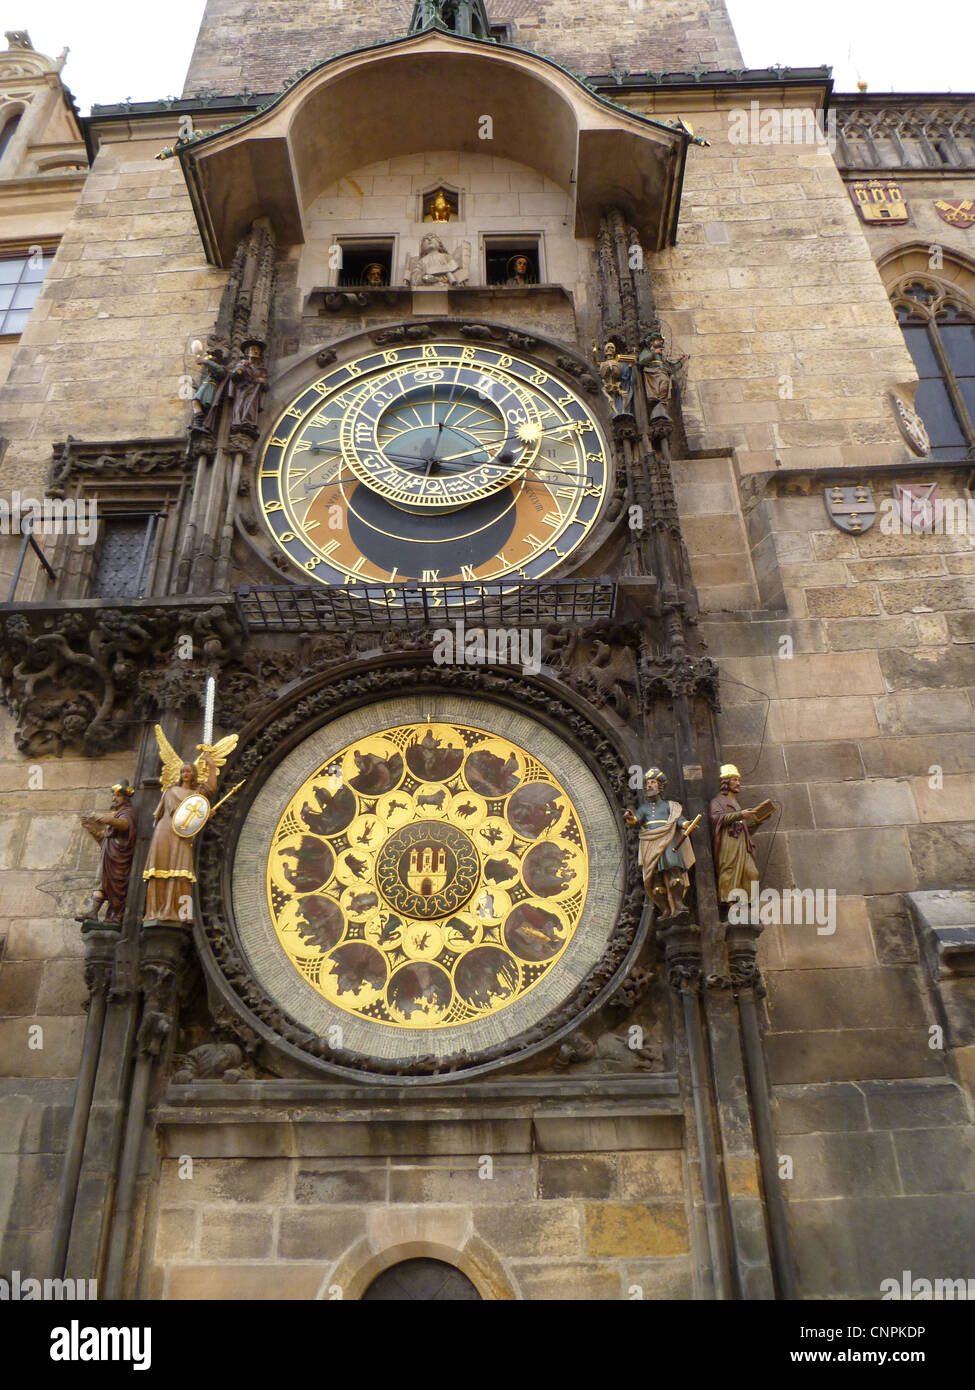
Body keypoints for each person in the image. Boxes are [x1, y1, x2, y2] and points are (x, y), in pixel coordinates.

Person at [624, 767, 695, 919]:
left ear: (660, 786)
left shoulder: (670, 806)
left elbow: (678, 820)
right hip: (651, 842)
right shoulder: (644, 808)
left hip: (668, 841)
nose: (650, 785)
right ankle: (665, 909)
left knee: (674, 872)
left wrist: (685, 825)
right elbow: (636, 821)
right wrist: (631, 818)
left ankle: (677, 903)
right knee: (655, 878)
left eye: (653, 783)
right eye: (648, 783)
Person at [709, 764, 772, 908]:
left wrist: (758, 821)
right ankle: (730, 903)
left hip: (742, 842)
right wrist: (740, 814)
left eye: (738, 780)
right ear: (726, 782)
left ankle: (746, 904)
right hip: (729, 841)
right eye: (734, 780)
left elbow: (744, 829)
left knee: (752, 873)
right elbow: (715, 818)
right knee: (729, 870)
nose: (738, 783)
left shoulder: (736, 803)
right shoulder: (717, 801)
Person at [78, 783, 138, 924]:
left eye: (118, 795)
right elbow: (103, 840)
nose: (114, 798)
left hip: (119, 859)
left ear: (126, 798)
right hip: (108, 856)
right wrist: (90, 828)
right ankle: (93, 913)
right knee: (100, 884)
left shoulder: (128, 813)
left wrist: (109, 819)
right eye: (113, 795)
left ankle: (117, 915)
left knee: (117, 888)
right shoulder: (116, 816)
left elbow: (125, 825)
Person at [598, 341, 634, 416]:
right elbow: (597, 363)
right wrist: (594, 350)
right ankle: (615, 412)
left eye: (612, 348)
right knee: (610, 399)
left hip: (617, 385)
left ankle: (623, 411)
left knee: (625, 394)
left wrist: (629, 367)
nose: (610, 349)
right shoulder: (603, 364)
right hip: (607, 386)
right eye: (608, 347)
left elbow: (625, 375)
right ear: (605, 351)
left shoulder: (619, 363)